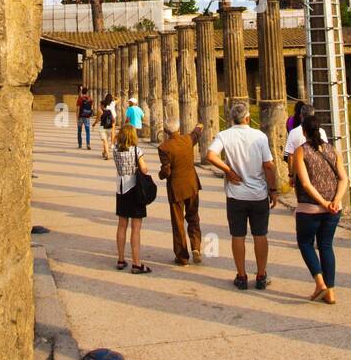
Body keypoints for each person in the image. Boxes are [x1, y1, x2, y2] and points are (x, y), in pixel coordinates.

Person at [205, 102, 277, 290]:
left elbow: (211, 155)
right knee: (260, 234)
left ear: (231, 118)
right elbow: (269, 166)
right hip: (258, 194)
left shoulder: (224, 135)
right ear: (247, 117)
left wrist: (228, 170)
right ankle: (261, 275)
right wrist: (273, 190)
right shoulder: (259, 136)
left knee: (238, 235)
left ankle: (242, 276)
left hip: (236, 195)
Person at [291, 113, 348, 304]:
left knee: (305, 244)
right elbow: (343, 179)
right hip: (334, 209)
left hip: (310, 208)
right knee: (326, 245)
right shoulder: (332, 150)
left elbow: (306, 184)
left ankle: (320, 283)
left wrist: (323, 203)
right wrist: (334, 201)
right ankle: (330, 292)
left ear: (304, 131)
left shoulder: (302, 151)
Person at [158, 123, 204, 266]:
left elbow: (166, 171)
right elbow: (196, 133)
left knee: (178, 223)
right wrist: (199, 125)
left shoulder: (164, 147)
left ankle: (182, 256)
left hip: (176, 189)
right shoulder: (187, 140)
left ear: (166, 131)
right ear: (179, 128)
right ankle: (196, 246)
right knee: (193, 217)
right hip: (191, 186)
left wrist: (161, 174)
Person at [112, 124, 152, 274]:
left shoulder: (115, 150)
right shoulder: (136, 151)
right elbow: (144, 169)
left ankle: (121, 259)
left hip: (121, 188)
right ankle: (136, 263)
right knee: (136, 228)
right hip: (135, 189)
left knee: (122, 225)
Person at [284, 104, 327, 184]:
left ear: (301, 115)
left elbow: (290, 157)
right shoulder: (322, 131)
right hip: (319, 170)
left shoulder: (293, 133)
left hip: (300, 172)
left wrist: (291, 175)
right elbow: (325, 151)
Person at [98, 92, 117, 160]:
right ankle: (109, 146)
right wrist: (113, 97)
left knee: (104, 140)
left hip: (102, 126)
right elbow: (118, 99)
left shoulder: (101, 110)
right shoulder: (112, 106)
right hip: (110, 123)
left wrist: (94, 124)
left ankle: (106, 153)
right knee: (110, 136)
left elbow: (98, 119)